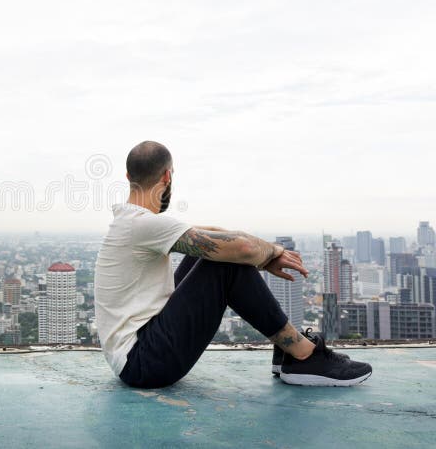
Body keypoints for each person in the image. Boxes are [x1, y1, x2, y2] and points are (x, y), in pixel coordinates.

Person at [94, 140, 372, 388]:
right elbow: (242, 248)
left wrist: (264, 256)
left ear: (129, 176)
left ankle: (288, 350)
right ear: (168, 176)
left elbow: (213, 234)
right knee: (224, 264)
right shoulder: (141, 225)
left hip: (141, 354)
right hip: (144, 363)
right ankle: (302, 354)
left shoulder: (133, 222)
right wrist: (272, 252)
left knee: (207, 253)